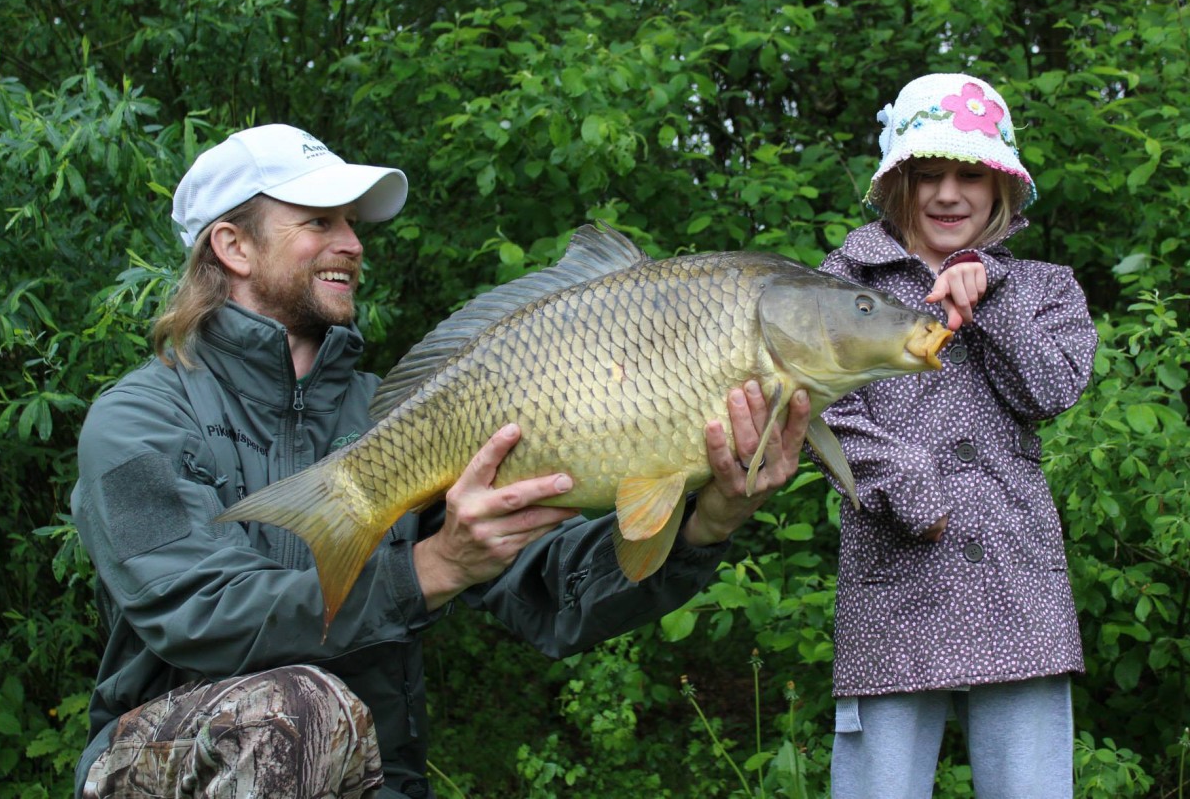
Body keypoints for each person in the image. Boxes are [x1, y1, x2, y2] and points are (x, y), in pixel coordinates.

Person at [70, 123, 812, 799]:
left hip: (375, 777)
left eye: (352, 224)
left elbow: (554, 595)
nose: (352, 244)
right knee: (297, 709)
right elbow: (198, 616)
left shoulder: (389, 417)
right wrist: (431, 569)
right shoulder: (136, 423)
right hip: (169, 767)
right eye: (320, 222)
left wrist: (704, 526)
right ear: (234, 247)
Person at [817, 74, 1099, 798]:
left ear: (1000, 184)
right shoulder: (844, 282)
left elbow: (1052, 389)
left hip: (1014, 581)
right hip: (894, 581)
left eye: (969, 174)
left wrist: (990, 299)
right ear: (897, 183)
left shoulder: (1043, 288)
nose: (948, 194)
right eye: (928, 175)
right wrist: (910, 487)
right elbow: (824, 410)